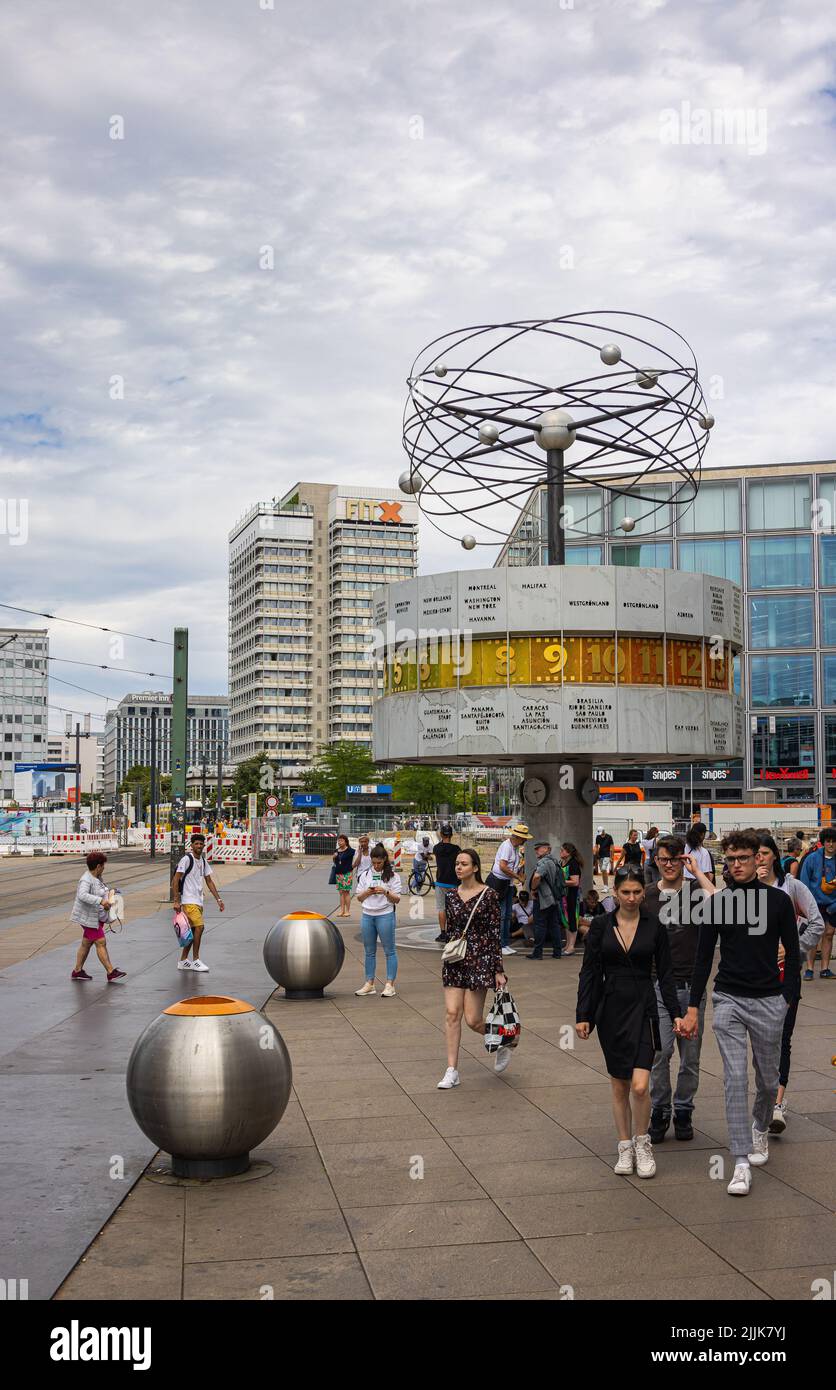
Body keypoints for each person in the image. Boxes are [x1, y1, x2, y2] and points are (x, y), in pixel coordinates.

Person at [680, 830, 800, 1197]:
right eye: (730, 860)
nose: (737, 865)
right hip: (728, 998)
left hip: (769, 999)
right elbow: (703, 959)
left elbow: (793, 954)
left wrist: (788, 999)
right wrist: (693, 1007)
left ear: (758, 860)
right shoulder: (717, 904)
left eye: (744, 858)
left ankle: (760, 1127)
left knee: (767, 1081)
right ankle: (741, 1161)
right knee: (734, 1079)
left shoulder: (778, 902)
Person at [576, 868, 684, 1178]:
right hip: (611, 1009)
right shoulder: (599, 925)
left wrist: (675, 1011)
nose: (633, 898)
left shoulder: (654, 926)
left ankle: (642, 1143)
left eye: (637, 892)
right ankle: (624, 1146)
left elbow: (665, 973)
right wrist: (583, 1014)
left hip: (645, 1007)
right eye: (626, 892)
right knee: (619, 1084)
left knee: (639, 1085)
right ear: (615, 891)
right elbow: (590, 972)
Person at [754, 834, 824, 1134]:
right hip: (753, 977)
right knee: (760, 1044)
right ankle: (765, 1097)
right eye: (754, 854)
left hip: (786, 976)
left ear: (774, 856)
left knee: (782, 1038)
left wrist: (792, 946)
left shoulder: (792, 887)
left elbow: (817, 922)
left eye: (765, 853)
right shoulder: (744, 891)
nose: (759, 859)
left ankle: (777, 1105)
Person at [643, 835, 707, 1143]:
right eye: (663, 859)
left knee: (690, 1057)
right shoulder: (647, 896)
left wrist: (698, 872)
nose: (669, 865)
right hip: (658, 986)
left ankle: (683, 1109)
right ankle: (660, 1110)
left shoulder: (697, 891)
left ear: (683, 859)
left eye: (675, 858)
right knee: (660, 1051)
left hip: (693, 987)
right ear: (655, 860)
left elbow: (725, 903)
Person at [438, 848, 510, 1088]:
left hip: (480, 959)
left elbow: (493, 934)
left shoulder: (489, 895)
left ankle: (503, 1039)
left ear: (475, 868)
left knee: (473, 1019)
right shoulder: (450, 895)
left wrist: (498, 970)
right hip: (455, 960)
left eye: (464, 864)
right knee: (451, 1014)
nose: (459, 867)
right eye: (457, 863)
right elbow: (451, 929)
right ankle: (452, 1070)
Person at [171, 832, 225, 973]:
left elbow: (209, 880)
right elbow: (175, 880)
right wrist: (176, 900)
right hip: (189, 901)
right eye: (196, 843)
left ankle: (183, 961)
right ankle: (195, 960)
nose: (199, 846)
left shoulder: (203, 861)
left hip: (198, 901)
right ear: (192, 845)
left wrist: (218, 899)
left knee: (192, 931)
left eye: (201, 844)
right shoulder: (186, 860)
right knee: (200, 927)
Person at [70, 852, 126, 983]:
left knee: (86, 943)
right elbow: (82, 895)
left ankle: (77, 971)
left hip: (94, 916)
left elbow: (100, 892)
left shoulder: (97, 877)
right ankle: (110, 972)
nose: (104, 867)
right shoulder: (86, 879)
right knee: (101, 942)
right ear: (98, 866)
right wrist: (101, 902)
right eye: (103, 865)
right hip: (88, 918)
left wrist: (109, 897)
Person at [355, 843, 401, 997]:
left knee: (389, 950)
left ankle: (390, 984)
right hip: (367, 914)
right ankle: (369, 983)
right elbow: (359, 897)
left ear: (385, 861)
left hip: (385, 914)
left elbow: (397, 899)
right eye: (374, 863)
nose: (376, 866)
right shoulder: (365, 875)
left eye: (379, 863)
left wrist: (386, 891)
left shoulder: (393, 876)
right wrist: (367, 892)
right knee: (369, 952)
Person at [486, 823, 532, 956]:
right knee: (502, 915)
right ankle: (500, 944)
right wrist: (518, 877)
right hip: (499, 882)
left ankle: (504, 943)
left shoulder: (515, 847)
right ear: (518, 837)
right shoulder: (507, 847)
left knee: (506, 915)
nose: (525, 841)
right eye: (524, 839)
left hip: (507, 883)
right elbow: (503, 866)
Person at [799, 826, 836, 978]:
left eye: (834, 841)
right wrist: (807, 905)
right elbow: (803, 884)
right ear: (823, 842)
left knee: (829, 934)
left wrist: (834, 906)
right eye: (828, 841)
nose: (831, 844)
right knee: (814, 936)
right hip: (813, 903)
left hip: (833, 904)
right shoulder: (811, 859)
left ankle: (825, 969)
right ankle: (809, 968)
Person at [526, 841, 563, 960]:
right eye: (535, 848)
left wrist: (533, 889)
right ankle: (557, 952)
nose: (536, 850)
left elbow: (537, 877)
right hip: (554, 898)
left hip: (543, 899)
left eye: (539, 848)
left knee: (540, 925)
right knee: (554, 925)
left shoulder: (544, 862)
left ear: (547, 849)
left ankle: (538, 953)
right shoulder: (555, 861)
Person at [433, 824, 461, 943]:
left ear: (441, 834)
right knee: (454, 908)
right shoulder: (456, 849)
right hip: (454, 882)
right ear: (451, 835)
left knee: (441, 908)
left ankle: (443, 933)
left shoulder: (436, 848)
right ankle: (454, 932)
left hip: (440, 882)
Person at [558, 842, 583, 955]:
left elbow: (575, 882)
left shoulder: (573, 864)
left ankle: (571, 946)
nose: (560, 852)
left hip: (571, 896)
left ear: (568, 852)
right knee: (566, 921)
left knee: (572, 920)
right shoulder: (562, 862)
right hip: (564, 897)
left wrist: (560, 882)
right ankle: (568, 944)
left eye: (562, 850)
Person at [333, 833, 355, 917]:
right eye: (338, 841)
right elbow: (335, 863)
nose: (339, 842)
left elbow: (355, 859)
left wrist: (352, 869)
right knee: (341, 892)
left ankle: (347, 911)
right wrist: (334, 857)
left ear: (346, 842)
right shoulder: (336, 851)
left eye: (341, 840)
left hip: (347, 873)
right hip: (338, 874)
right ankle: (341, 910)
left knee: (346, 892)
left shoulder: (350, 851)